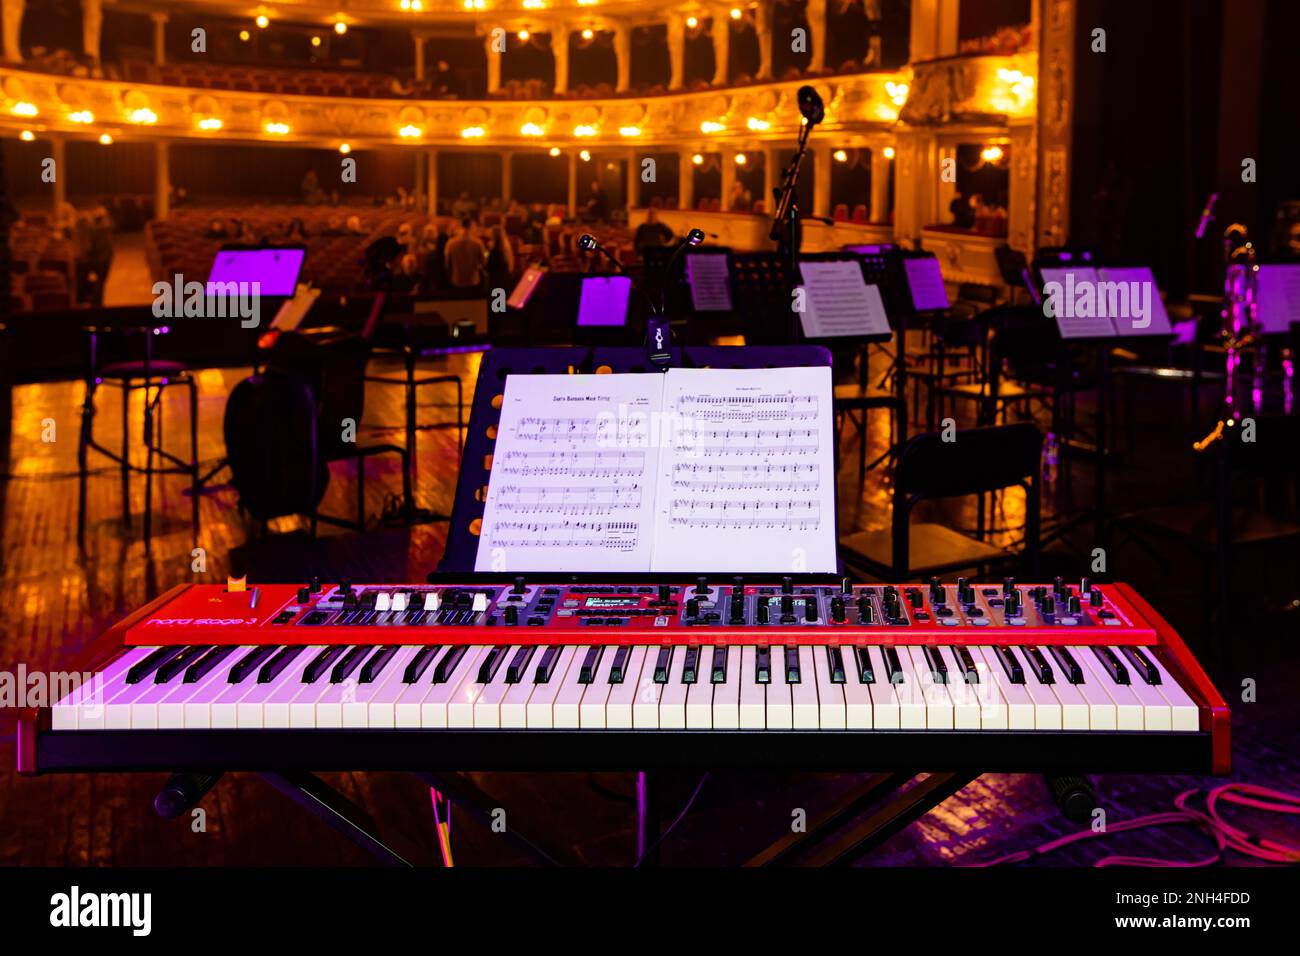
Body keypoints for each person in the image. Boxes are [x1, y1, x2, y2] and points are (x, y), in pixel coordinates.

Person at [444, 218, 486, 289]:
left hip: (456, 279)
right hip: (473, 280)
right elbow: (483, 262)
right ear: (472, 227)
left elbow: (447, 264)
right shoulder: (478, 243)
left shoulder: (451, 243)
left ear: (461, 226)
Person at [484, 224, 515, 293]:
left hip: (495, 283)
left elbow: (488, 268)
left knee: (496, 303)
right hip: (504, 282)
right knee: (501, 302)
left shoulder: (494, 251)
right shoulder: (506, 250)